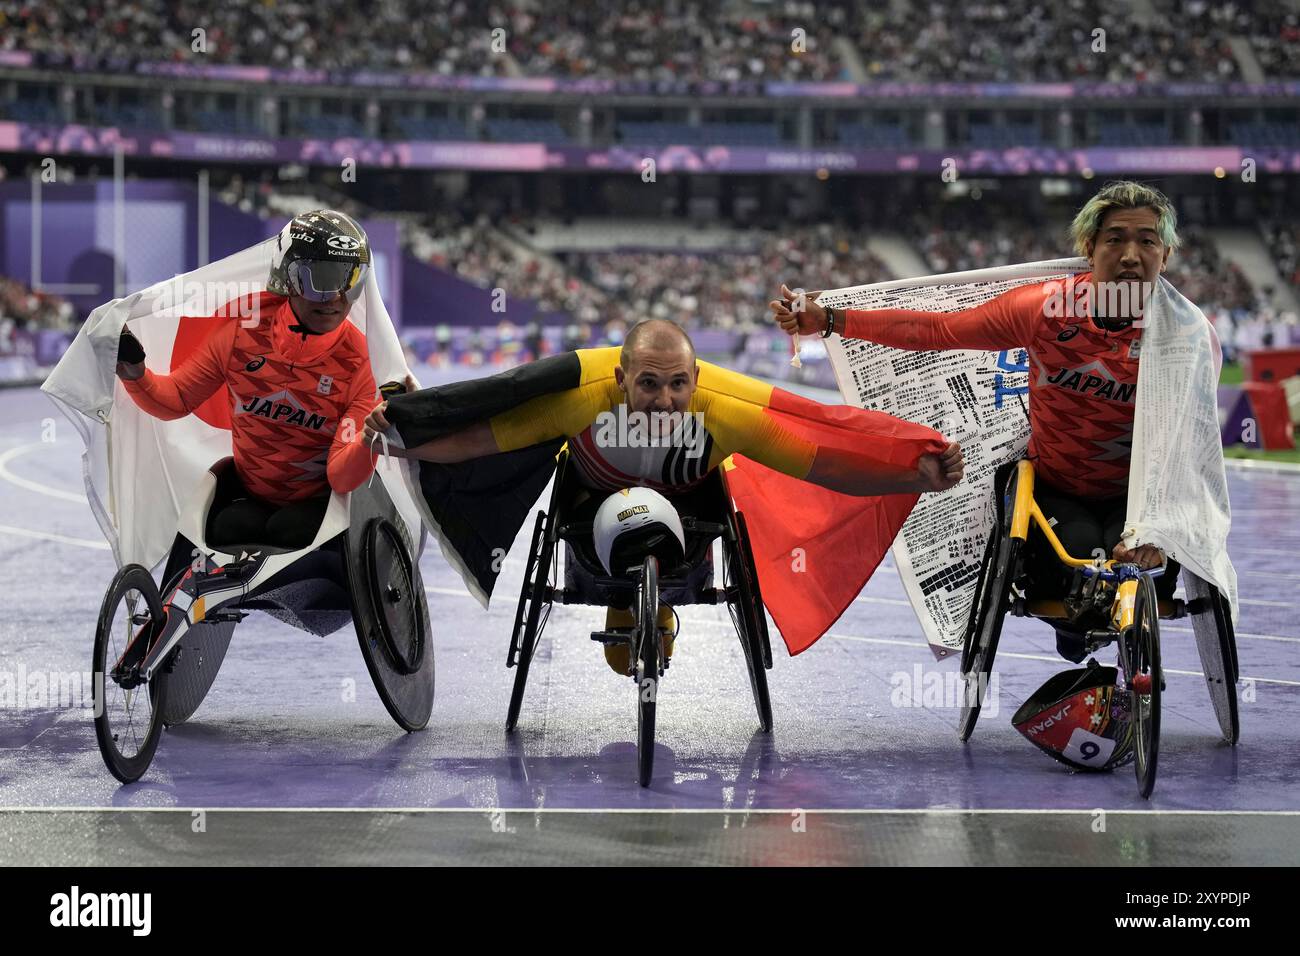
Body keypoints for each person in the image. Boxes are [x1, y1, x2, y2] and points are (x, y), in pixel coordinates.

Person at [367, 318, 964, 673]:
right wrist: (398, 444)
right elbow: (476, 439)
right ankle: (632, 594)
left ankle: (658, 598)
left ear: (697, 382)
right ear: (622, 379)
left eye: (678, 385)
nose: (663, 400)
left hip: (689, 535)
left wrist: (912, 476)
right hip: (588, 536)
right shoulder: (582, 399)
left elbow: (825, 465)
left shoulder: (725, 416)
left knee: (692, 512)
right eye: (647, 384)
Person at [770, 181, 1204, 662]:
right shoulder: (1046, 309)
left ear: (1165, 255)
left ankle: (1127, 657)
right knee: (1083, 565)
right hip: (1058, 489)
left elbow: (1192, 451)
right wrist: (830, 320)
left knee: (1136, 565)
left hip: (1144, 498)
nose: (1130, 254)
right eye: (1115, 239)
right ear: (1089, 249)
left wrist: (1158, 527)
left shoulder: (1188, 336)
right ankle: (1079, 635)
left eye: (1146, 241)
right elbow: (937, 331)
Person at [114, 209, 383, 551]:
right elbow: (176, 399)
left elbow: (342, 477)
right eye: (324, 279)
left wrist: (369, 438)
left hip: (321, 505)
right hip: (249, 497)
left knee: (288, 528)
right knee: (228, 526)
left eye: (352, 280)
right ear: (289, 276)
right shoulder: (243, 331)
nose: (337, 298)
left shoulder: (361, 361)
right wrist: (135, 373)